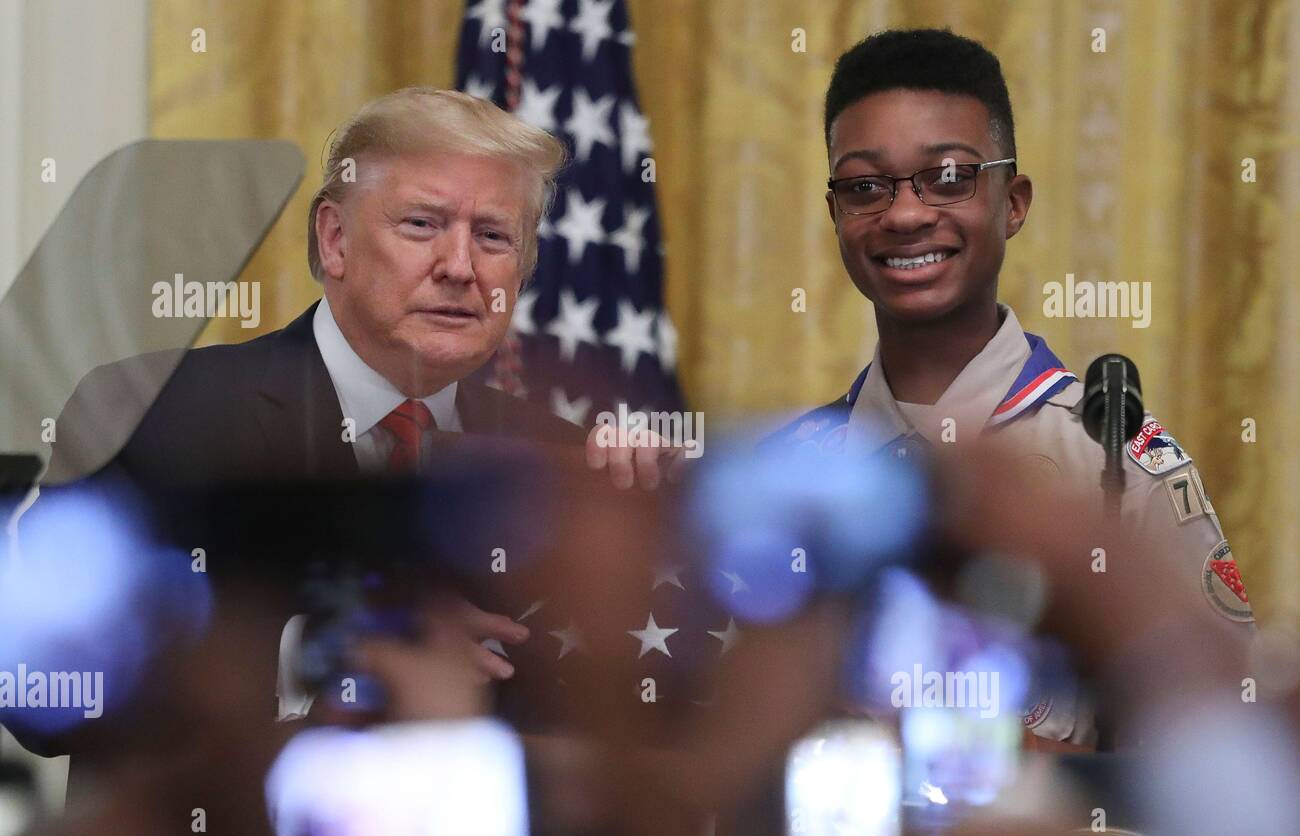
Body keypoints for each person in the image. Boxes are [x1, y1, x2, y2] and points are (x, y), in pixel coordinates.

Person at [587, 29, 1254, 746]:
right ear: (837, 212)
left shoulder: (1118, 464)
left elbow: (1233, 745)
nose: (905, 215)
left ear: (1014, 202)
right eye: (866, 186)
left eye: (949, 177)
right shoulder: (787, 474)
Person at [45, 88, 581, 490]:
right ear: (336, 239)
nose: (460, 267)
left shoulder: (560, 458)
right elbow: (63, 628)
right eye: (421, 224)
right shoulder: (149, 415)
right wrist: (317, 643)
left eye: (492, 235)